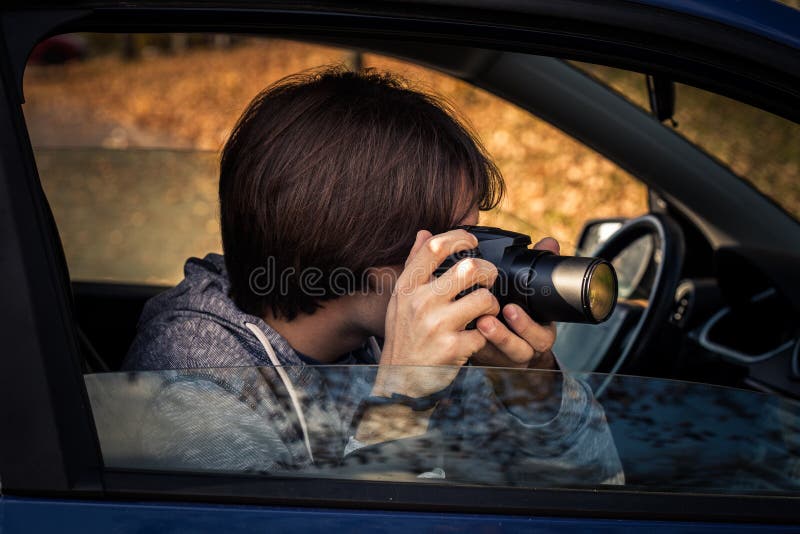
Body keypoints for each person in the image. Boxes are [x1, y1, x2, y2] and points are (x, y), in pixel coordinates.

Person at [123, 67, 623, 484]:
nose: (480, 258)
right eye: (460, 237)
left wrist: (533, 390)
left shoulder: (392, 332)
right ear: (365, 252)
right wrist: (400, 408)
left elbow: (593, 497)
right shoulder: (191, 390)